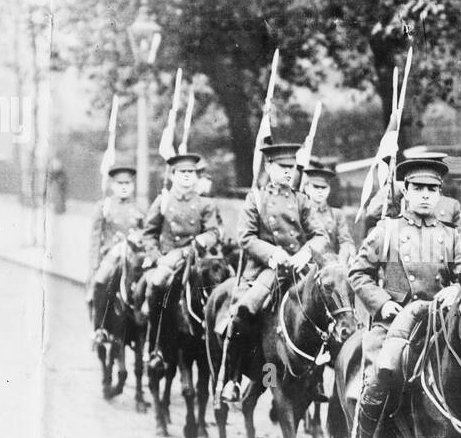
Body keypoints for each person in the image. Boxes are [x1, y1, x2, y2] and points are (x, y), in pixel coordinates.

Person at [347, 155, 461, 438]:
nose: (426, 195)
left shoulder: (450, 236)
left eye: (432, 189)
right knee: (381, 374)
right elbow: (358, 274)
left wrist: (458, 289)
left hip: (440, 322)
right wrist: (383, 303)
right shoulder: (386, 231)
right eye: (418, 188)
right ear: (405, 190)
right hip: (394, 323)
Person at [216, 142, 330, 403]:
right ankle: (232, 378)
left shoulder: (301, 200)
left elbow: (320, 235)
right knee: (244, 311)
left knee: (328, 311)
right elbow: (245, 237)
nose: (289, 172)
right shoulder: (255, 198)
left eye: (293, 168)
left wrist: (304, 254)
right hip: (265, 270)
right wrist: (272, 253)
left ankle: (317, 380)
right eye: (283, 167)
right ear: (269, 167)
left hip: (299, 269)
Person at [139, 152, 225, 368]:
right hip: (170, 258)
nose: (187, 176)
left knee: (222, 285)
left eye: (191, 172)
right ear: (173, 176)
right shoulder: (163, 201)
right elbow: (149, 233)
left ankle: (216, 342)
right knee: (157, 284)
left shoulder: (205, 203)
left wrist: (203, 239)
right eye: (182, 172)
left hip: (197, 257)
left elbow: (214, 231)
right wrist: (156, 257)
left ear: (196, 176)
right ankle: (156, 346)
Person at [87, 160, 145, 306]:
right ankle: (100, 326)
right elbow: (95, 238)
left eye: (128, 184)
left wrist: (139, 236)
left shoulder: (140, 207)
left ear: (132, 186)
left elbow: (148, 232)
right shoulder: (104, 206)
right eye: (120, 184)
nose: (124, 187)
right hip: (112, 255)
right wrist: (94, 264)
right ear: (113, 185)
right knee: (100, 281)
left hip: (135, 256)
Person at [300, 159, 356, 264]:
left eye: (324, 187)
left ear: (329, 190)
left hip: (332, 264)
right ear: (307, 188)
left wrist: (342, 261)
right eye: (316, 187)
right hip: (307, 264)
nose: (320, 191)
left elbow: (345, 242)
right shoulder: (301, 213)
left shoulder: (337, 214)